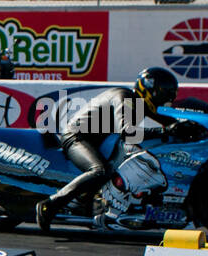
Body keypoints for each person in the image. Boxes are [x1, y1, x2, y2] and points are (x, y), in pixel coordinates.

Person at [36, 68, 178, 230]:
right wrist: (165, 131)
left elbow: (169, 121)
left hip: (96, 141)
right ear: (150, 89)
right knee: (99, 170)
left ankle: (85, 202)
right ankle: (50, 205)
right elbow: (127, 132)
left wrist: (189, 127)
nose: (168, 100)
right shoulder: (125, 97)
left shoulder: (140, 104)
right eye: (165, 93)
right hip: (76, 137)